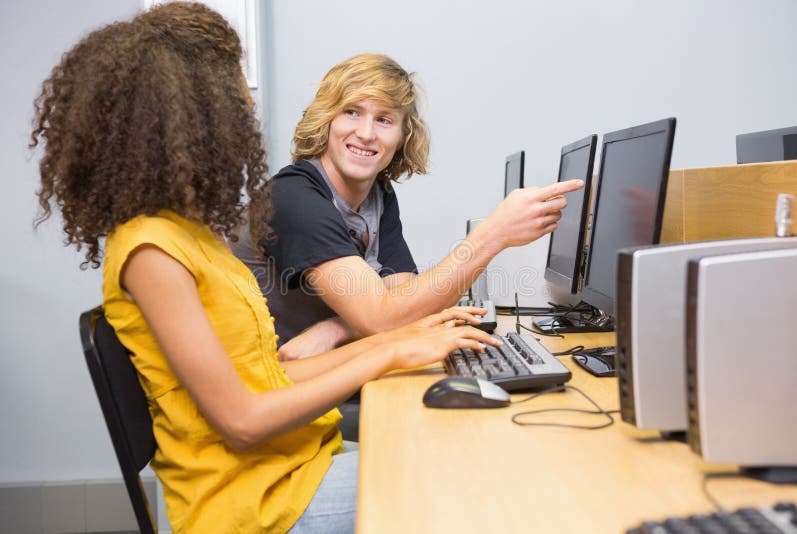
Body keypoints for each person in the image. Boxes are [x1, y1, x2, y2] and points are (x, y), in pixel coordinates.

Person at [30, 4, 497, 532]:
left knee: (460, 450)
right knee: (471, 476)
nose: (250, 101)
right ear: (189, 115)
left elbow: (268, 376)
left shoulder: (196, 235)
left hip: (297, 463)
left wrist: (391, 343)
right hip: (252, 502)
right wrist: (386, 346)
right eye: (236, 89)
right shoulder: (150, 251)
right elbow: (242, 421)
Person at [233, 54, 585, 361]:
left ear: (403, 135)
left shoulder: (378, 195)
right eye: (351, 112)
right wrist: (492, 236)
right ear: (327, 121)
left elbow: (405, 301)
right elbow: (382, 317)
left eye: (384, 119)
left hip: (333, 367)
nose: (367, 133)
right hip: (278, 387)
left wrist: (337, 328)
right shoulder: (293, 195)